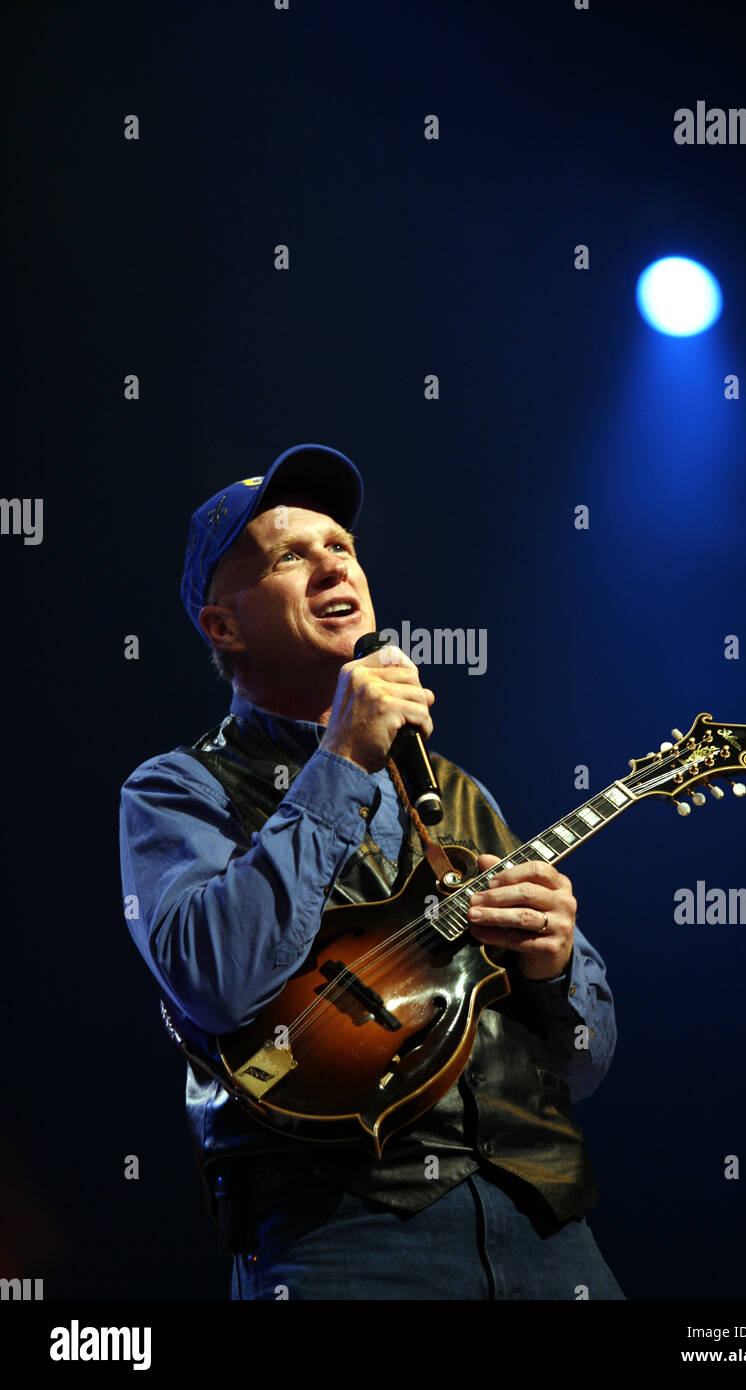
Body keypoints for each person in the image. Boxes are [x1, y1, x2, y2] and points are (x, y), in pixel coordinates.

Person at [119, 443, 625, 1300]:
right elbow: (214, 980)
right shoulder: (176, 788)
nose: (331, 562)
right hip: (341, 1237)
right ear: (224, 627)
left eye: (341, 547)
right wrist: (342, 755)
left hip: (547, 1231)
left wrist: (555, 967)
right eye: (289, 555)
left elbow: (586, 1064)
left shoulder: (458, 792)